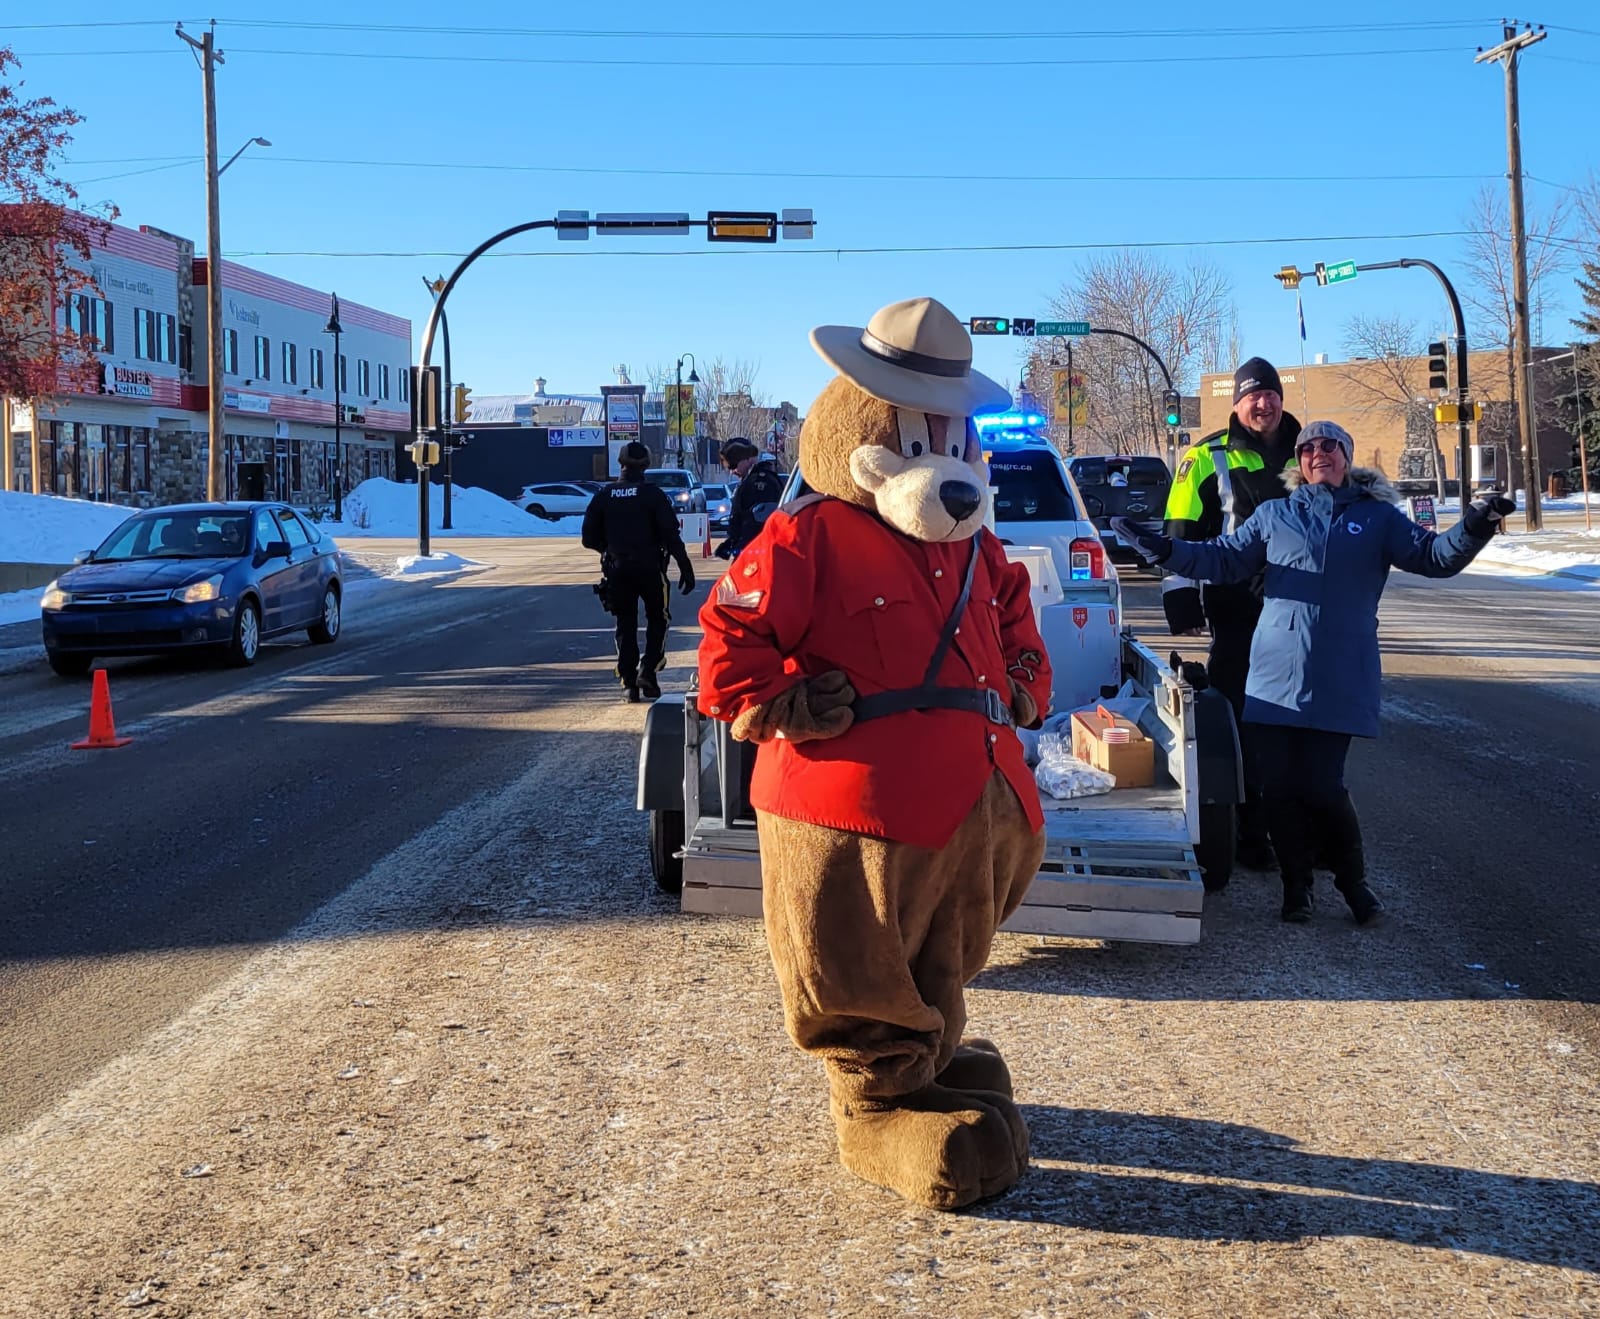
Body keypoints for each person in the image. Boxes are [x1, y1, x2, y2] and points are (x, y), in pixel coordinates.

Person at [1114, 421, 1515, 925]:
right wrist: (1161, 548)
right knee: (1279, 788)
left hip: (1341, 675)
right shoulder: (1275, 515)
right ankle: (1295, 888)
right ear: (1298, 463)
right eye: (1309, 449)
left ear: (1347, 457)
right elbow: (1220, 559)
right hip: (1275, 677)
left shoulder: (1378, 518)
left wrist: (1477, 522)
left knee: (1324, 786)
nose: (1318, 454)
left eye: (1330, 447)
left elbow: (1435, 557)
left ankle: (1354, 884)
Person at [1161, 356, 1302, 872]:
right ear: (1236, 403)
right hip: (1237, 604)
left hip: (1302, 610)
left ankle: (1301, 827)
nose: (1262, 404)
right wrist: (1179, 594)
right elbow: (1179, 527)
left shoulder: (1309, 453)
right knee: (1241, 716)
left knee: (1302, 722)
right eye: (1252, 396)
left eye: (1270, 393)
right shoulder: (1205, 458)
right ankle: (1248, 829)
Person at [581, 441, 696, 703]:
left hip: (617, 569)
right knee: (659, 618)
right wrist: (685, 567)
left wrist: (609, 549)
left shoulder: (604, 496)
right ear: (646, 466)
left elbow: (588, 538)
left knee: (626, 623)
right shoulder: (653, 495)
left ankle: (628, 683)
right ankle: (649, 670)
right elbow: (670, 534)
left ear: (620, 464)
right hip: (651, 568)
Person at [715, 436, 786, 559]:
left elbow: (758, 523)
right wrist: (731, 542)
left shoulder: (760, 483)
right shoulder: (750, 480)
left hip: (756, 554)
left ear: (747, 459)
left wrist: (741, 546)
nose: (732, 471)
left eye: (733, 465)